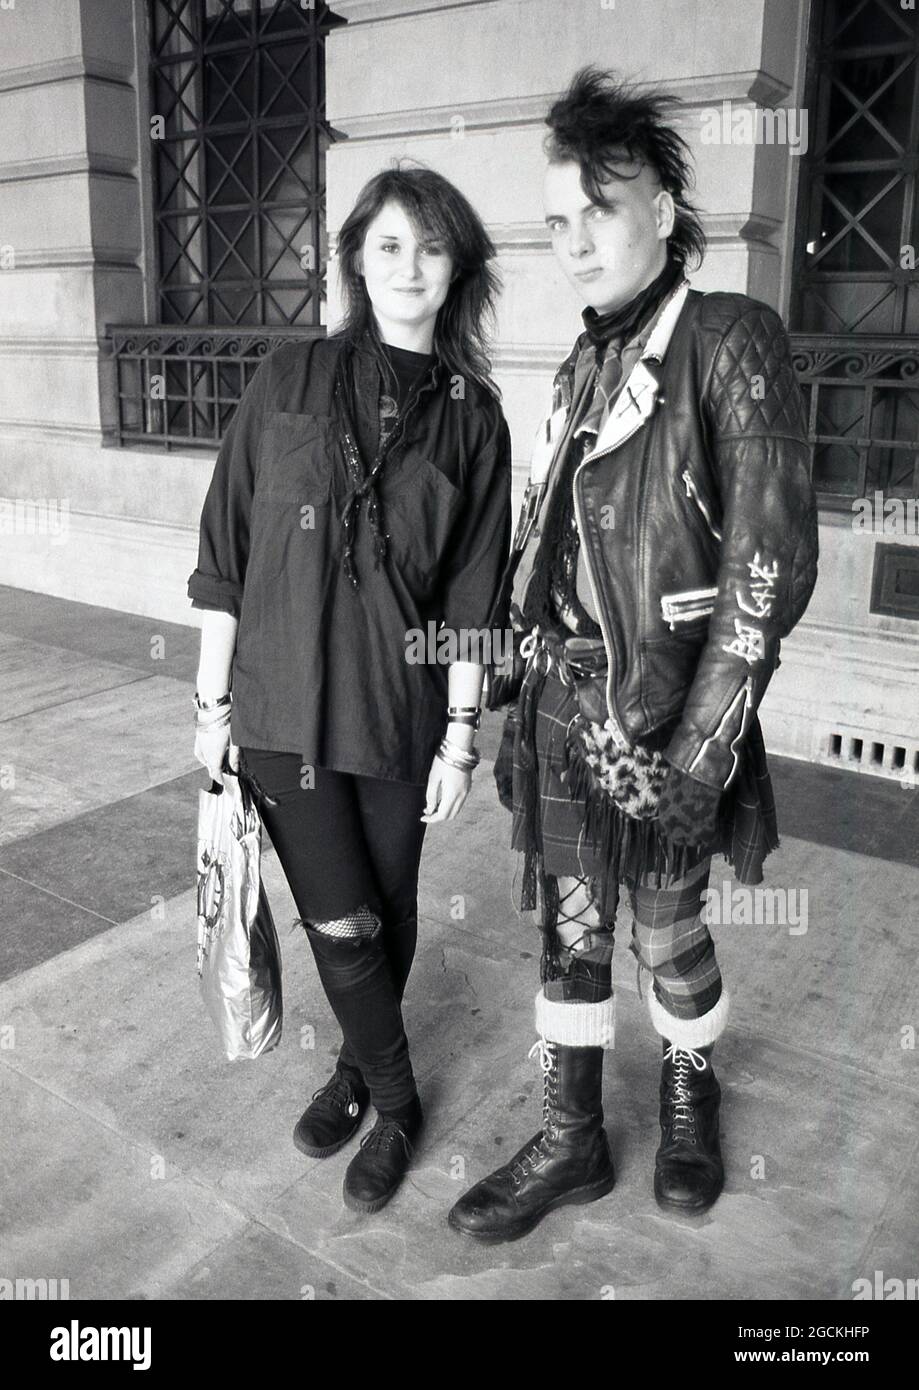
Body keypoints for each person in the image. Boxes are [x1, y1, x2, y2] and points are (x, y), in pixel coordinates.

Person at [448, 68, 819, 1243]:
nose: (574, 243)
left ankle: (689, 1097)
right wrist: (477, 677)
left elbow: (769, 565)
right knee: (568, 927)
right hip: (561, 711)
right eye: (555, 222)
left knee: (667, 931)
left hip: (662, 721)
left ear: (662, 204)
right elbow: (546, 548)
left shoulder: (728, 338)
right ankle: (570, 1141)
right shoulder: (580, 367)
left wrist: (697, 756)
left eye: (596, 210)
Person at [188, 165, 511, 1215]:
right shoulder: (287, 379)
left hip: (398, 713)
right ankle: (401, 1098)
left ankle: (352, 1071)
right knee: (342, 925)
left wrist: (462, 732)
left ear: (455, 265)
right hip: (280, 706)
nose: (407, 265)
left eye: (428, 246)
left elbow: (473, 592)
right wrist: (208, 707)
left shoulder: (475, 420)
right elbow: (224, 552)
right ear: (356, 263)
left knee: (387, 909)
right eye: (386, 246)